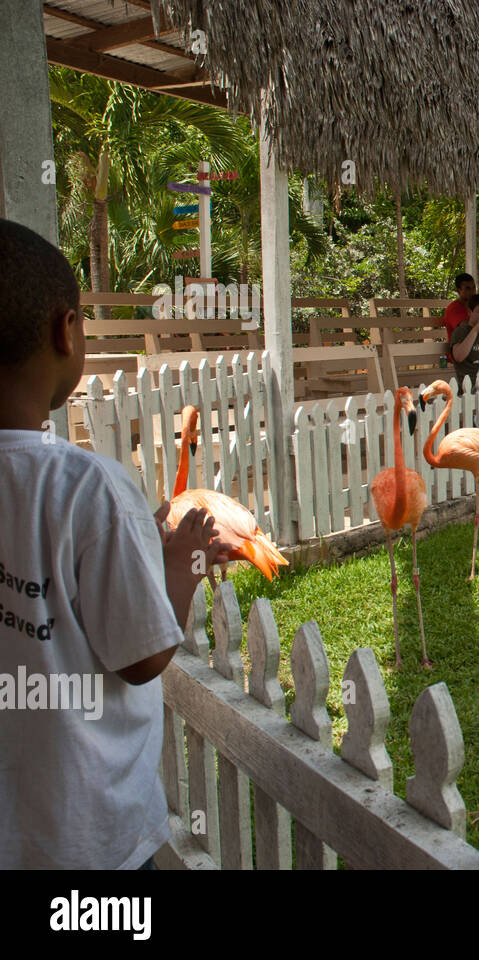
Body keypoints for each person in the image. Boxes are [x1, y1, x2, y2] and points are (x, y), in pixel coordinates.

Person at [0, 218, 224, 869]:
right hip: (86, 837)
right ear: (64, 331)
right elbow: (141, 659)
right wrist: (178, 566)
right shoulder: (87, 487)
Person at [449, 292, 479, 386]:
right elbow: (458, 357)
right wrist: (475, 330)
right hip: (469, 385)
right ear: (469, 312)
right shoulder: (461, 331)